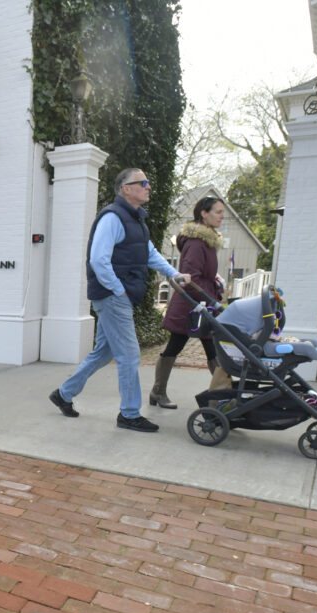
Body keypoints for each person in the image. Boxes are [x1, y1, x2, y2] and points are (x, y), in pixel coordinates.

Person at [48, 167, 190, 433]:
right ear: (126, 189)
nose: (148, 187)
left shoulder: (136, 220)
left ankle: (64, 394)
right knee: (129, 355)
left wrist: (174, 273)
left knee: (104, 352)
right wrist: (118, 289)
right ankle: (129, 413)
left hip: (119, 295)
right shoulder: (112, 218)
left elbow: (149, 253)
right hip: (113, 296)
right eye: (142, 182)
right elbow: (98, 260)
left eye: (148, 182)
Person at [149, 196, 226, 408]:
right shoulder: (196, 242)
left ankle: (222, 396)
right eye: (218, 211)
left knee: (212, 348)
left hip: (200, 304)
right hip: (191, 306)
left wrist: (216, 279)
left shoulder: (206, 242)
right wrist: (212, 294)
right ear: (204, 213)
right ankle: (158, 392)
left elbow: (202, 273)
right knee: (176, 345)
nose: (222, 216)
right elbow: (191, 277)